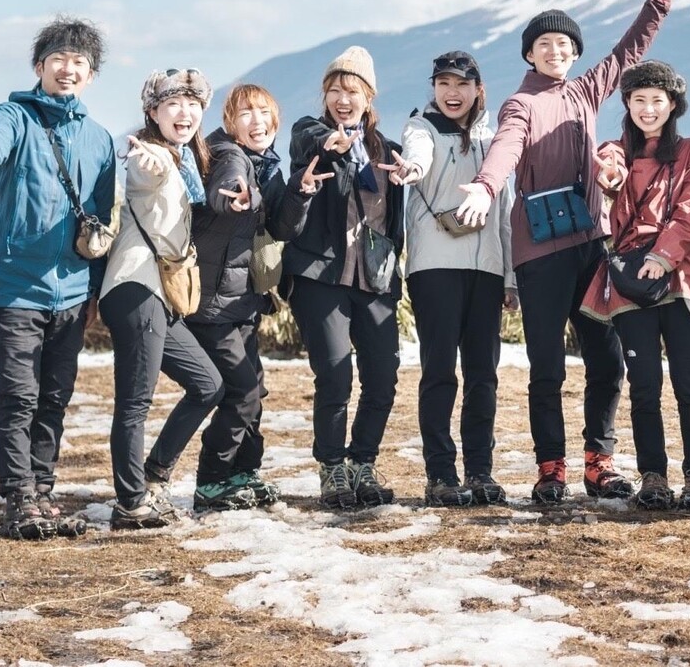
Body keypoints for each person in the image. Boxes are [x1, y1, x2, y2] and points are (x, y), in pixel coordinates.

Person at [454, 0, 690, 504]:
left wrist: (658, 3)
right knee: (546, 366)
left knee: (607, 360)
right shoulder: (520, 104)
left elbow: (627, 56)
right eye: (544, 44)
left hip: (591, 249)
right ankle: (551, 467)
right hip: (540, 255)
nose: (555, 51)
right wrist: (487, 187)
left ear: (574, 53)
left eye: (564, 44)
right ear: (529, 54)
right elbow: (506, 148)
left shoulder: (586, 91)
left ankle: (597, 461)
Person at [0, 16, 116, 540]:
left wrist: (96, 290)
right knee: (18, 395)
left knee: (54, 397)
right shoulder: (11, 117)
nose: (68, 69)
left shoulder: (100, 139)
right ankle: (18, 496)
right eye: (58, 59)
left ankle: (42, 490)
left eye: (79, 63)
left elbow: (101, 224)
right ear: (39, 66)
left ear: (91, 75)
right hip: (14, 286)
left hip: (72, 289)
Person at [274, 46, 407, 509]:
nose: (342, 99)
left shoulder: (388, 151)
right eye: (334, 90)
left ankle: (362, 461)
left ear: (369, 96)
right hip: (321, 275)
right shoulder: (310, 132)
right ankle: (331, 466)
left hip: (375, 278)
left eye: (351, 91)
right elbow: (307, 141)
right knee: (334, 374)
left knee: (383, 376)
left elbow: (395, 218)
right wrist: (331, 142)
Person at [581, 61, 690, 511]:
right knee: (644, 384)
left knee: (688, 382)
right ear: (627, 104)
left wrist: (663, 254)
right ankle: (653, 475)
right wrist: (609, 180)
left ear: (673, 104)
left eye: (657, 99)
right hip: (630, 284)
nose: (648, 108)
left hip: (680, 279)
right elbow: (609, 171)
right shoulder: (615, 151)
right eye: (639, 99)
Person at [99, 69, 228, 530]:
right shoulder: (150, 154)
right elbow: (145, 173)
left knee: (208, 385)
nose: (186, 113)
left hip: (159, 295)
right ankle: (131, 502)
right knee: (135, 401)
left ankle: (154, 474)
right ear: (153, 112)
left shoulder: (187, 159)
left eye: (194, 105)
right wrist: (152, 163)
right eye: (174, 104)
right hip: (136, 286)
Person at [399, 51, 515, 507]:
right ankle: (441, 474)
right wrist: (411, 168)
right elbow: (417, 156)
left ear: (478, 89)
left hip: (486, 268)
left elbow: (503, 210)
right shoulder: (420, 128)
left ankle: (481, 471)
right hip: (434, 267)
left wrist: (510, 278)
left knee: (483, 375)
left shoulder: (496, 138)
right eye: (443, 83)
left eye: (461, 84)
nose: (452, 92)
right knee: (440, 371)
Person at [184, 83, 288, 512]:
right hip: (214, 306)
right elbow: (225, 190)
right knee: (242, 390)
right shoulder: (229, 157)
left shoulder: (267, 165)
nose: (256, 121)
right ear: (229, 122)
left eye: (264, 112)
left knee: (253, 390)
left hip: (241, 302)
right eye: (245, 113)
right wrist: (238, 199)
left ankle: (243, 472)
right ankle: (211, 480)